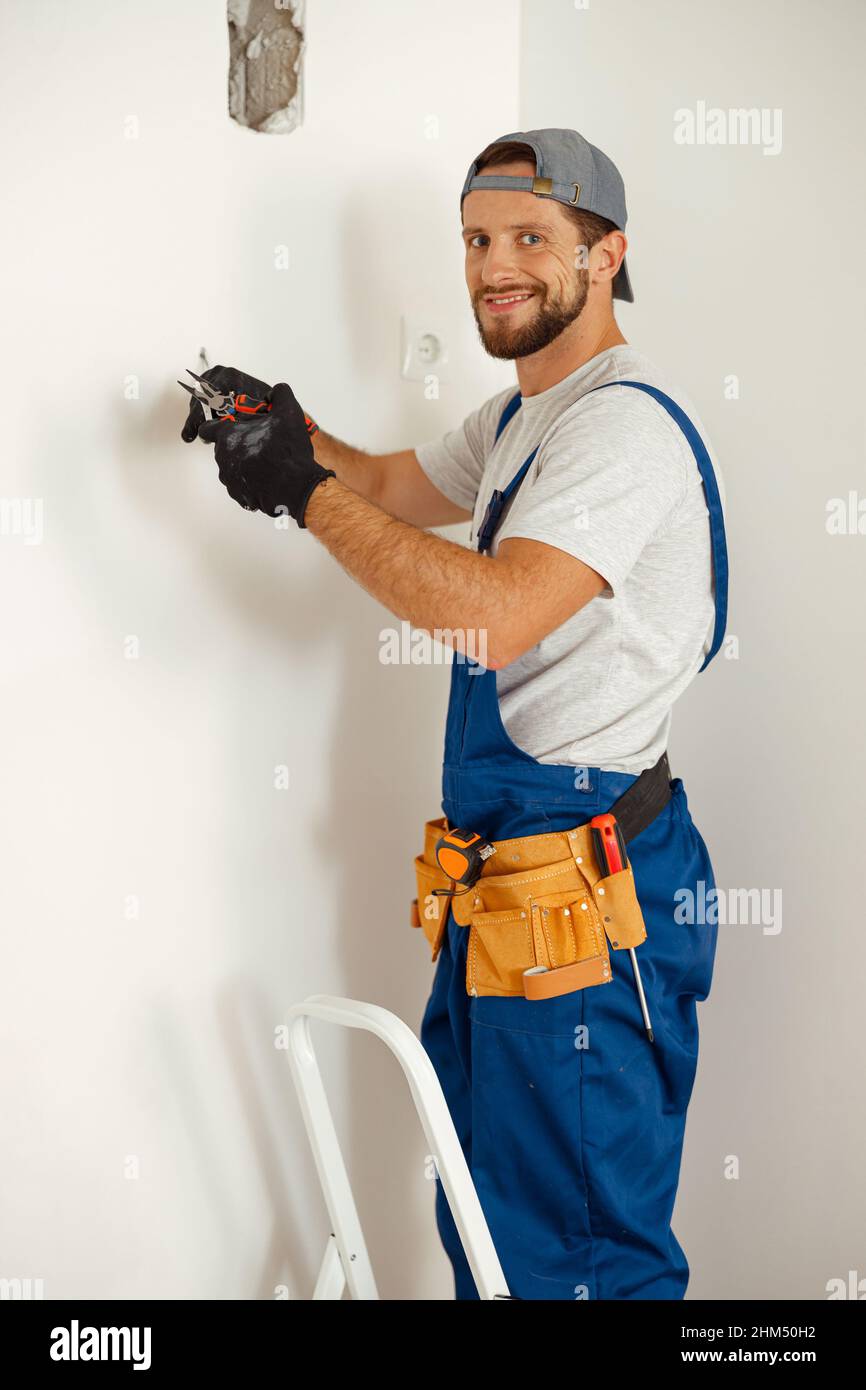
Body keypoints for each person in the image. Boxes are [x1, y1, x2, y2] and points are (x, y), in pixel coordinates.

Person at [181, 127, 727, 1301]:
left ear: (606, 252)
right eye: (477, 240)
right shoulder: (521, 416)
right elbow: (381, 484)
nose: (493, 266)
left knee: (576, 1261)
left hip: (584, 910)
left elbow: (491, 617)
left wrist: (302, 491)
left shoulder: (617, 426)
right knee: (489, 1236)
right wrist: (274, 424)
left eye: (531, 238)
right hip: (507, 899)